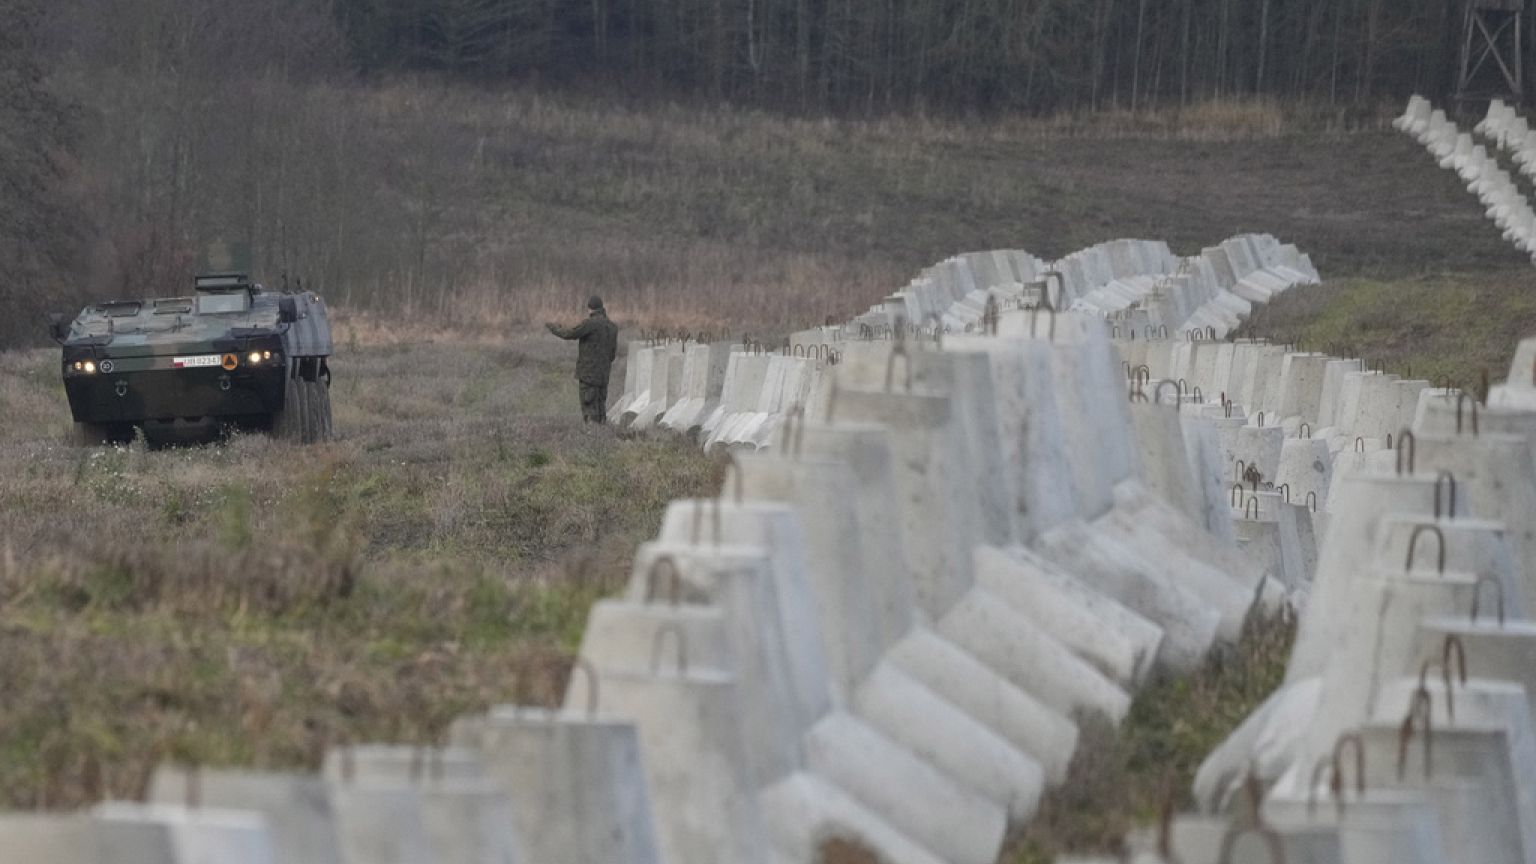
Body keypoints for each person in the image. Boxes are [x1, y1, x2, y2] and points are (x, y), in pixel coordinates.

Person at [546, 295, 620, 424]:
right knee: (601, 412)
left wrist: (553, 327)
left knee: (590, 412)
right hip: (603, 377)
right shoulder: (612, 327)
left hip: (589, 376)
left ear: (590, 309)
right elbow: (612, 355)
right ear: (602, 308)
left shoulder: (590, 324)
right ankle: (603, 440)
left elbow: (569, 334)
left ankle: (592, 440)